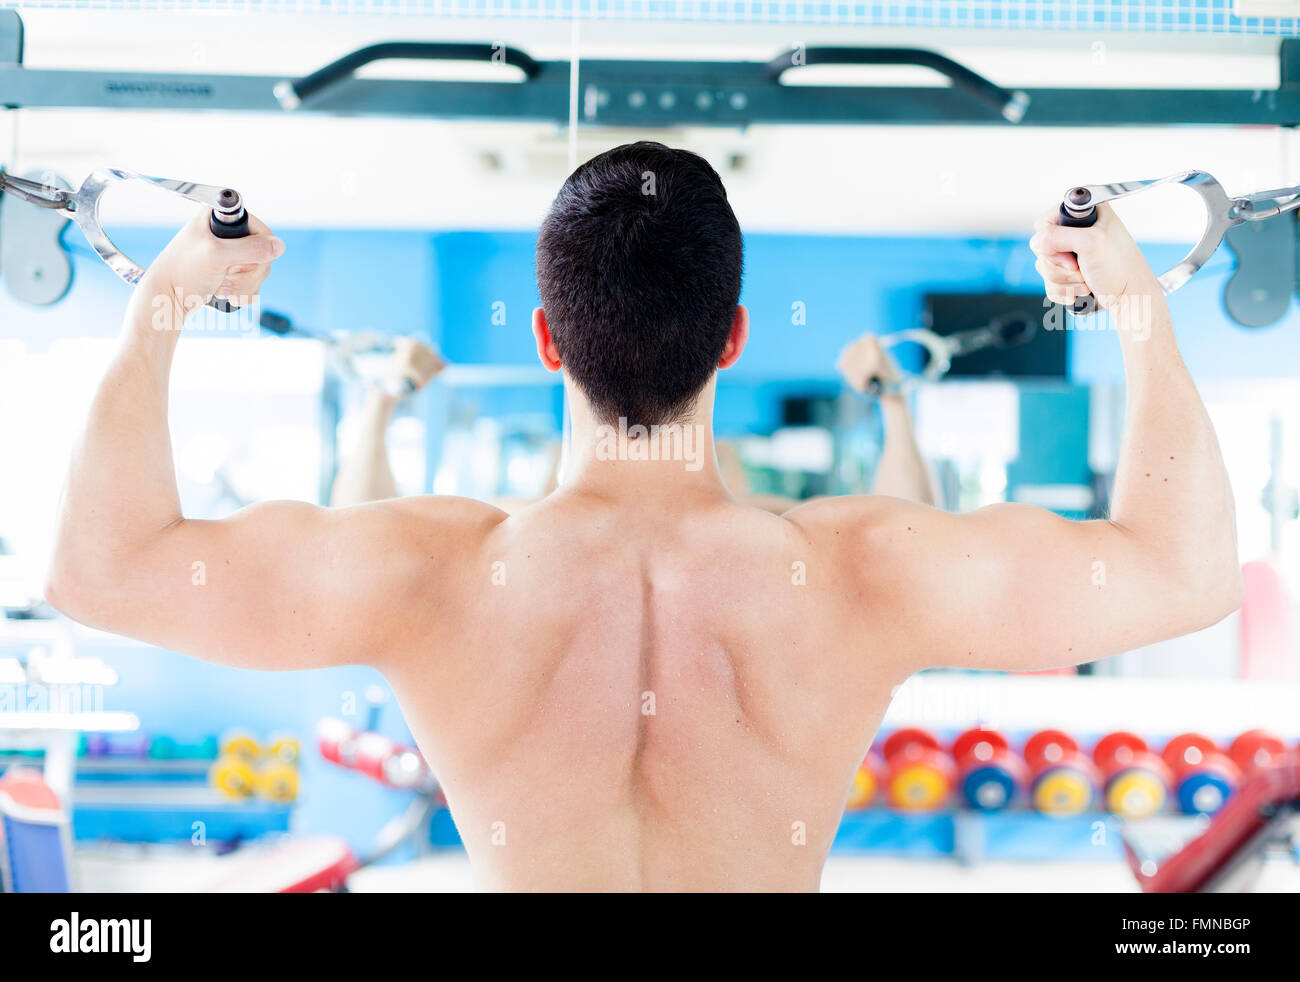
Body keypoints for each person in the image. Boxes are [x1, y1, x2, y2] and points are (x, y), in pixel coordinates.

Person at [46, 142, 1242, 891]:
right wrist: (1132, 302)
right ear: (731, 338)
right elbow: (1180, 574)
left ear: (545, 340)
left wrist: (166, 297)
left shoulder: (437, 573)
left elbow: (106, 570)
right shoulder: (857, 569)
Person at [332, 332, 935, 513]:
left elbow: (353, 546)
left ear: (548, 341)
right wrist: (890, 399)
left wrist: (386, 397)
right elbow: (917, 548)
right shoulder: (774, 532)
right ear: (733, 340)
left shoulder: (508, 531)